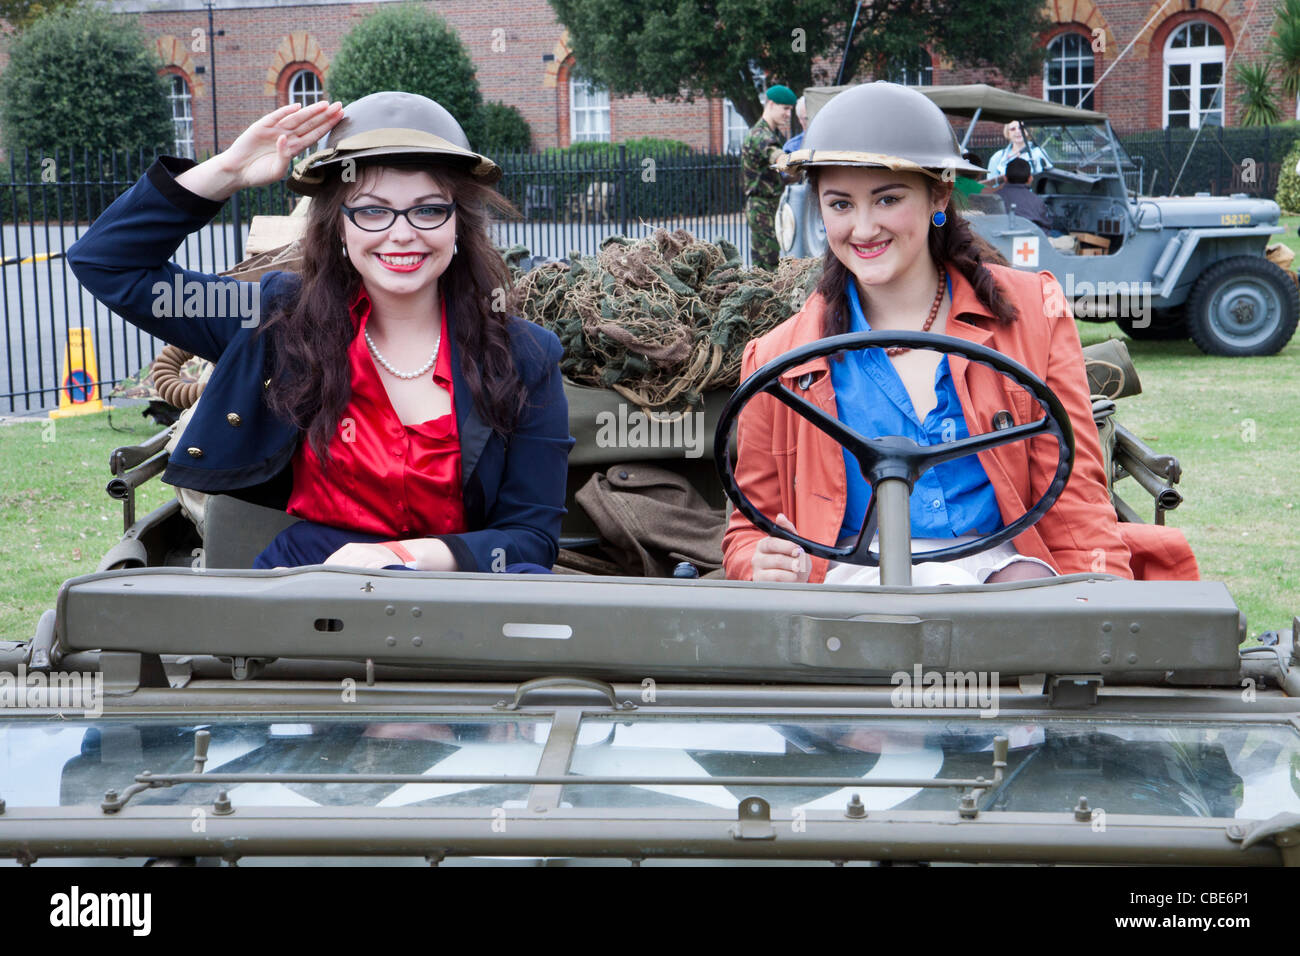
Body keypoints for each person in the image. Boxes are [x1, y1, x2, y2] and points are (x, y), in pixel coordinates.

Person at [67, 92, 573, 572]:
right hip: (308, 587)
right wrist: (226, 172)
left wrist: (402, 556)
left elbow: (531, 538)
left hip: (465, 594)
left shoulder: (525, 355)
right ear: (338, 226)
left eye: (428, 209)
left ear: (457, 224)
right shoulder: (277, 320)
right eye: (372, 210)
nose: (402, 232)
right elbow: (108, 262)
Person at [726, 81, 1182, 586]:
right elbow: (750, 528)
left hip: (997, 577)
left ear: (938, 194)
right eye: (840, 204)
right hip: (848, 590)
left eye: (887, 199)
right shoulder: (780, 358)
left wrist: (1103, 603)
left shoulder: (1031, 316)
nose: (863, 228)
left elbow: (1075, 495)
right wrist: (759, 562)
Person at [742, 84, 796, 269]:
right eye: (786, 108)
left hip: (767, 207)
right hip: (762, 208)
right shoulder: (760, 135)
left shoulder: (770, 133)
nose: (789, 114)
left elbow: (775, 175)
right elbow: (778, 158)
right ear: (771, 104)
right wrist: (796, 164)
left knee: (761, 266)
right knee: (769, 265)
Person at [997, 157, 1055, 234]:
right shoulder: (1036, 201)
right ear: (1030, 179)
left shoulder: (994, 198)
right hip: (1031, 242)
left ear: (1005, 178)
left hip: (999, 241)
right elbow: (1046, 225)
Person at [984, 120, 1052, 183]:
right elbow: (991, 184)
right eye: (1013, 129)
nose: (1017, 131)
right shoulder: (997, 157)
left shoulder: (1039, 152)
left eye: (1021, 127)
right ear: (1008, 133)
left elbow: (1049, 178)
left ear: (1028, 131)